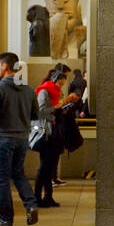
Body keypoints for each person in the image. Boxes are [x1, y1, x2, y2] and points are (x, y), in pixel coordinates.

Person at [0, 52, 39, 226]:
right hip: (22, 138)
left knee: (1, 178)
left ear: (6, 66)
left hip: (4, 137)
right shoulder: (28, 89)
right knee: (18, 173)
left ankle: (5, 217)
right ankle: (31, 205)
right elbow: (35, 114)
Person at [33, 69, 79, 207]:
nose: (60, 86)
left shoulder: (55, 92)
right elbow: (40, 112)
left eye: (62, 84)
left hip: (54, 133)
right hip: (46, 132)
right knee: (44, 167)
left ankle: (48, 196)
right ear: (53, 80)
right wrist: (58, 107)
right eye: (59, 83)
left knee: (49, 166)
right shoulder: (44, 91)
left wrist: (64, 107)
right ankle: (36, 197)